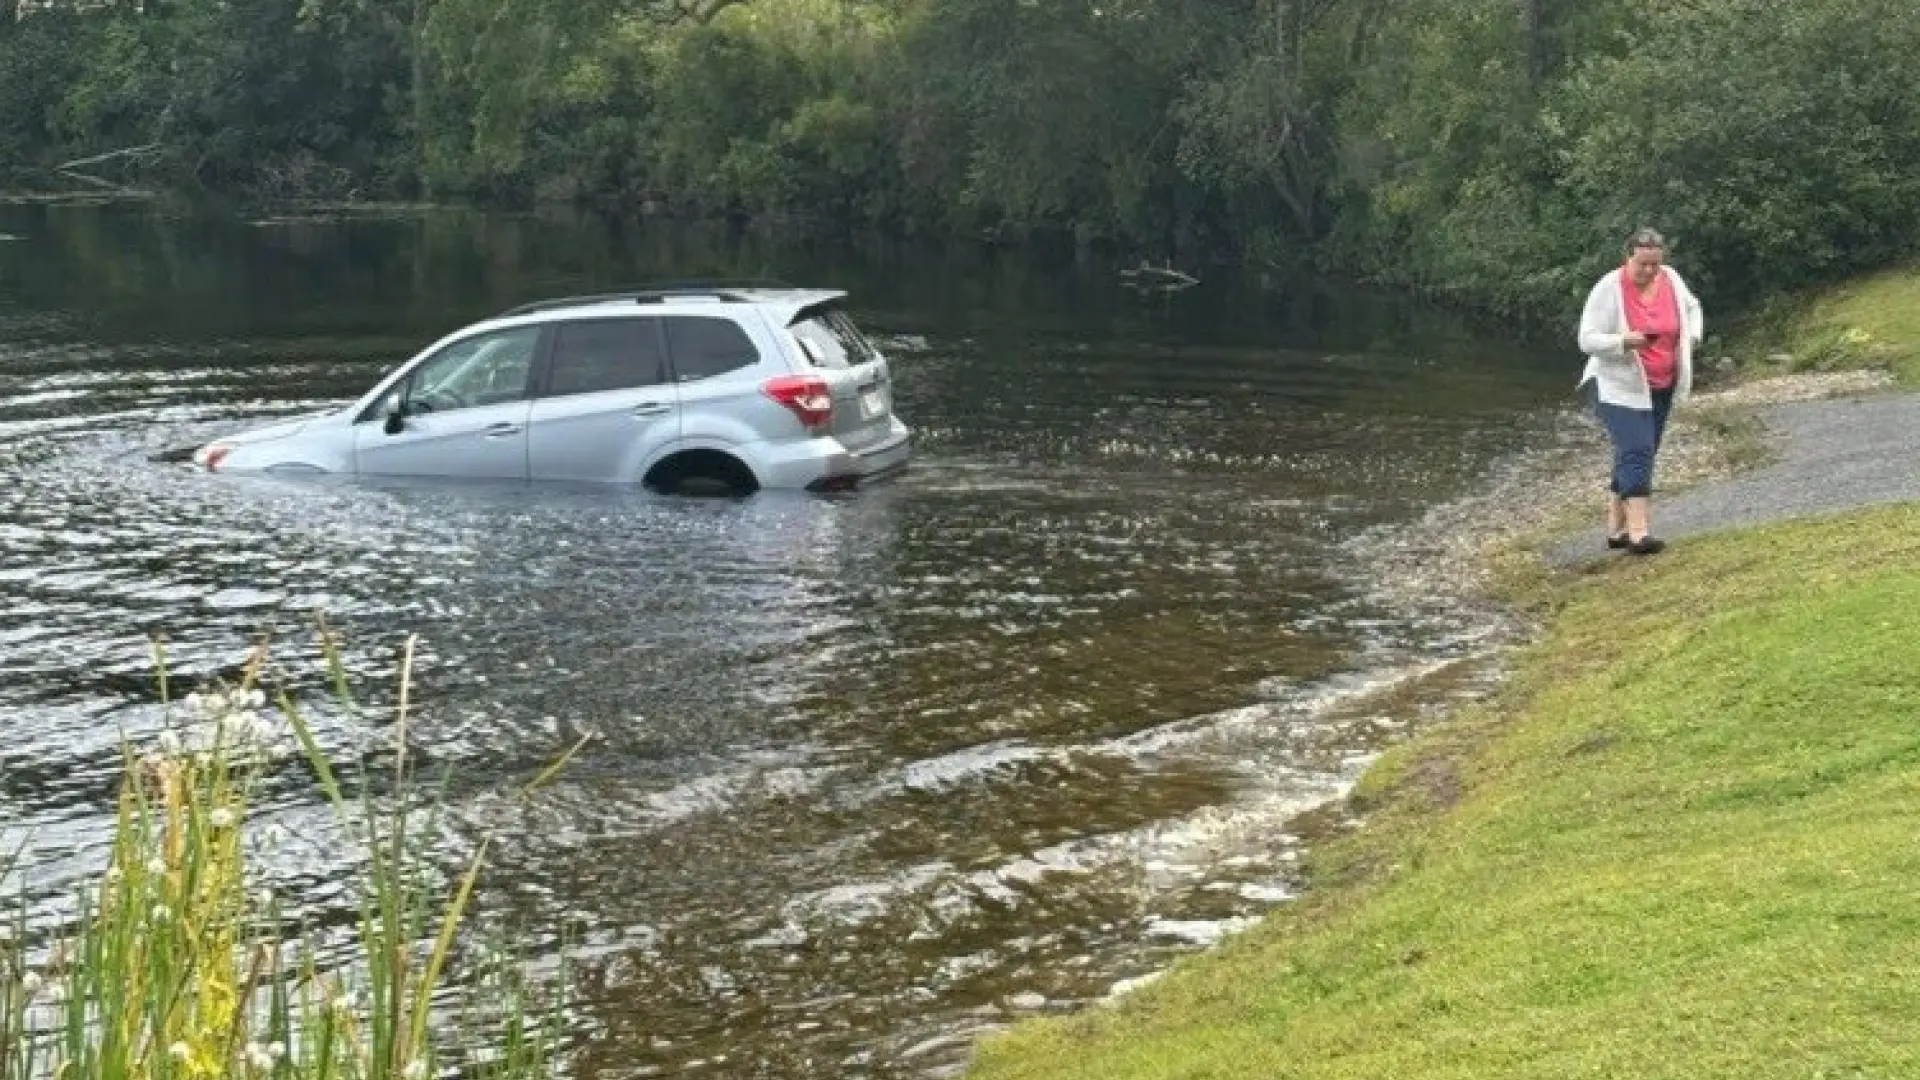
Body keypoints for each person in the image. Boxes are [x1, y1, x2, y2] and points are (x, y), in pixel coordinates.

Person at [1577, 226, 1704, 556]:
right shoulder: (1608, 288)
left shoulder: (1672, 280)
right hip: (1616, 386)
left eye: (1654, 264)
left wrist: (1691, 337)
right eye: (1642, 264)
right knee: (1638, 449)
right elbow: (1586, 339)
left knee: (1638, 452)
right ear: (1628, 258)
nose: (1649, 271)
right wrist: (1623, 341)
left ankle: (1615, 530)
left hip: (1661, 384)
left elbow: (1692, 308)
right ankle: (1639, 533)